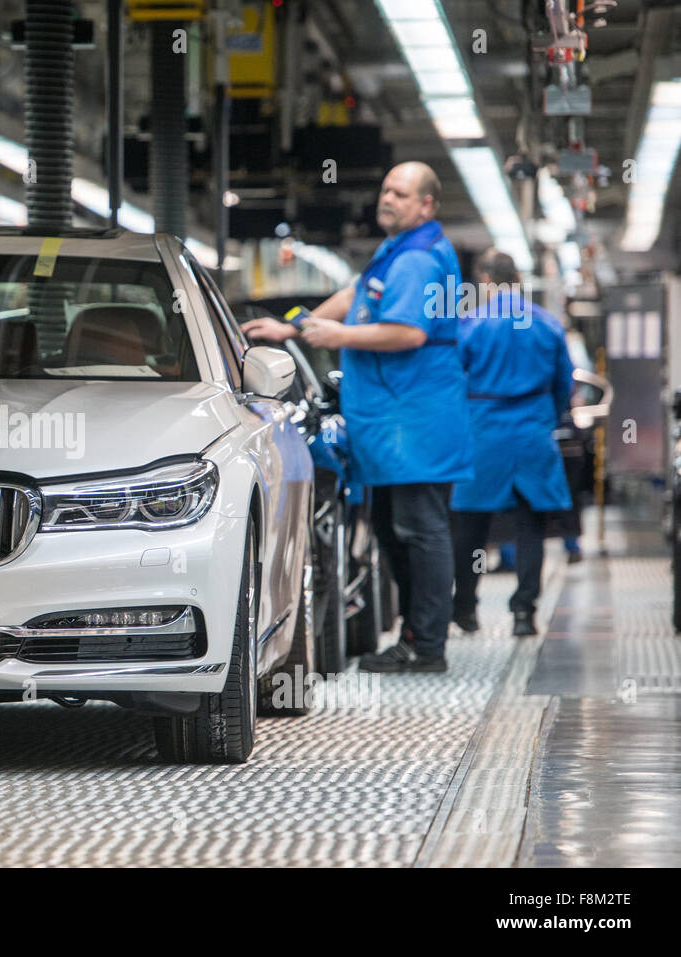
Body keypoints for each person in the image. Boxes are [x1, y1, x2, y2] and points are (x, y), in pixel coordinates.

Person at [244, 161, 472, 672]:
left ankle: (427, 647)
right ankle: (416, 636)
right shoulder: (395, 253)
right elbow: (355, 296)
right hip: (393, 422)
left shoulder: (418, 260)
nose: (387, 198)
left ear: (426, 205)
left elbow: (408, 333)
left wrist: (335, 337)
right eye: (385, 189)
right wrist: (296, 324)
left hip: (414, 420)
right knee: (397, 530)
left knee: (419, 529)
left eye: (400, 193)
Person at [449, 249, 573, 637]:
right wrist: (544, 418)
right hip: (533, 434)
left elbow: (452, 382)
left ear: (485, 281)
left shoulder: (470, 325)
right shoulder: (548, 325)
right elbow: (564, 385)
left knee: (471, 528)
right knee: (530, 526)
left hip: (483, 434)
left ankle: (466, 609)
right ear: (518, 280)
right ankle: (524, 613)